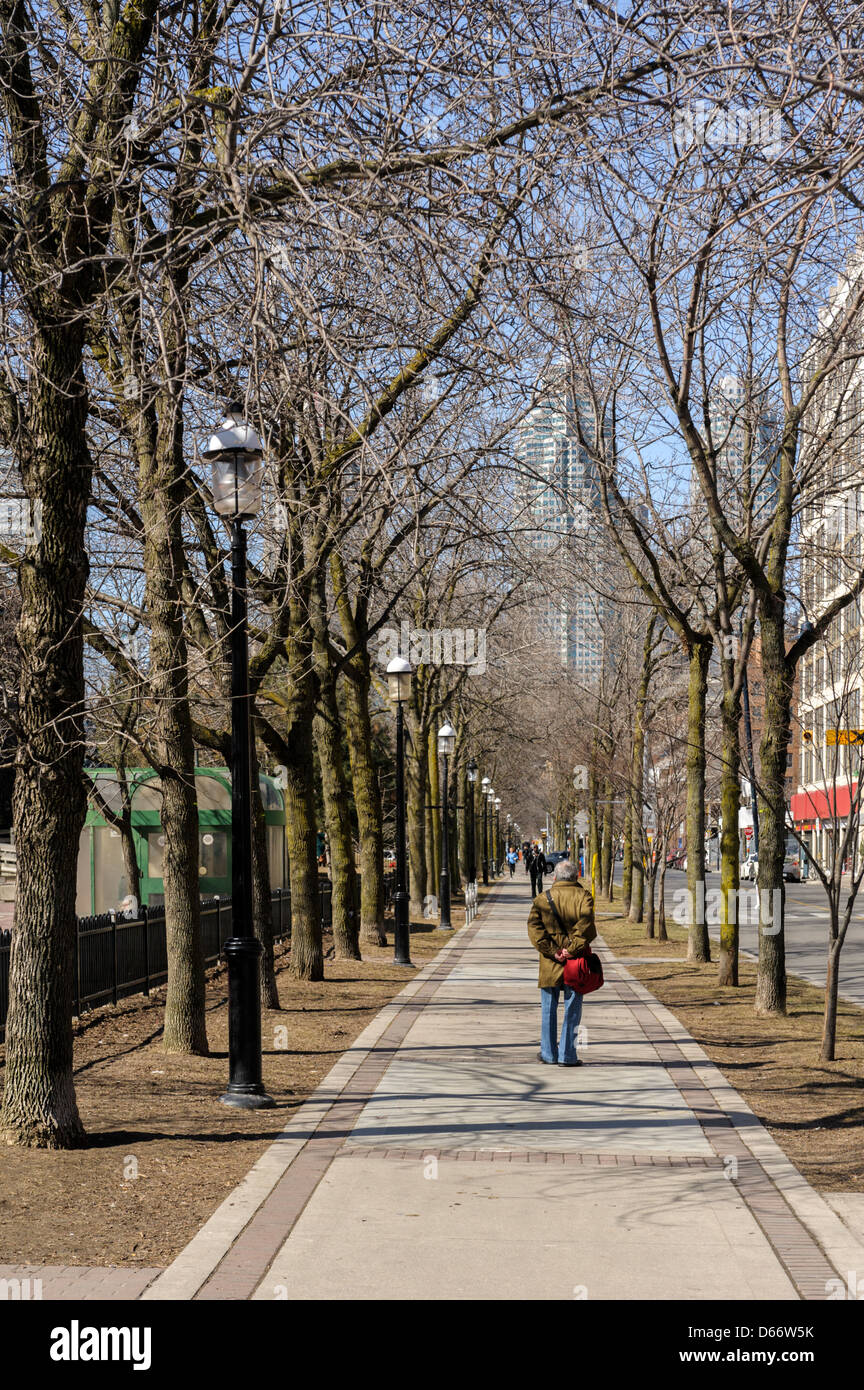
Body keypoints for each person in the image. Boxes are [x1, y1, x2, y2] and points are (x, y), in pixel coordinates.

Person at [527, 859, 596, 1066]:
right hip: (577, 963)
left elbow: (534, 929)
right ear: (576, 876)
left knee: (548, 1009)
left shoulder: (542, 899)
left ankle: (548, 1053)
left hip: (550, 963)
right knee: (573, 1009)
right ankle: (568, 1055)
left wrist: (553, 951)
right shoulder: (585, 897)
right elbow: (586, 926)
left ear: (555, 877)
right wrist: (571, 949)